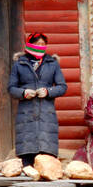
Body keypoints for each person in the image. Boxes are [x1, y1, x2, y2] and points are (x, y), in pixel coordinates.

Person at [8, 31, 67, 166]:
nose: (40, 46)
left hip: (46, 113)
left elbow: (62, 87)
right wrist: (23, 93)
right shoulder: (19, 64)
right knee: (27, 155)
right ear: (29, 44)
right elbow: (11, 88)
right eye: (37, 43)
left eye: (43, 44)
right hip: (26, 114)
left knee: (47, 153)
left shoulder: (52, 63)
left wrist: (48, 91)